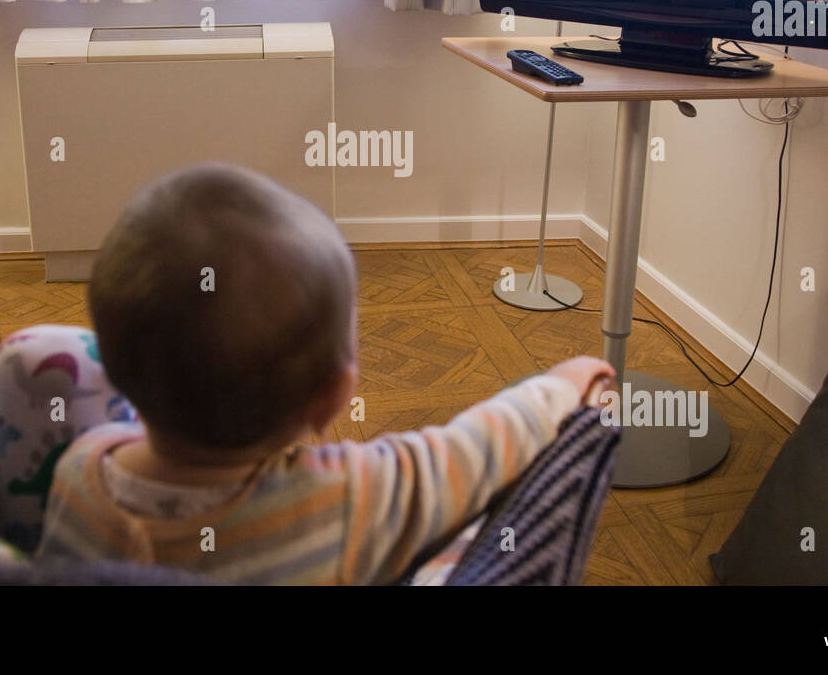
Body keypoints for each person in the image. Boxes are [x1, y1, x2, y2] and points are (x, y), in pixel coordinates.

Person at [36, 163, 616, 584]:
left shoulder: (78, 475)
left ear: (110, 367)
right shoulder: (344, 499)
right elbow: (469, 452)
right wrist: (561, 386)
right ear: (333, 396)